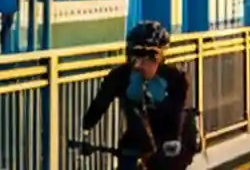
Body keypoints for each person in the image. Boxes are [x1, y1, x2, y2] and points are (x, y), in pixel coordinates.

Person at [81, 20, 195, 169]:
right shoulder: (120, 76)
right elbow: (100, 103)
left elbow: (179, 110)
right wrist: (85, 130)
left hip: (168, 142)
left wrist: (174, 139)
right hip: (135, 142)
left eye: (148, 55)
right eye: (134, 54)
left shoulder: (175, 78)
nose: (138, 63)